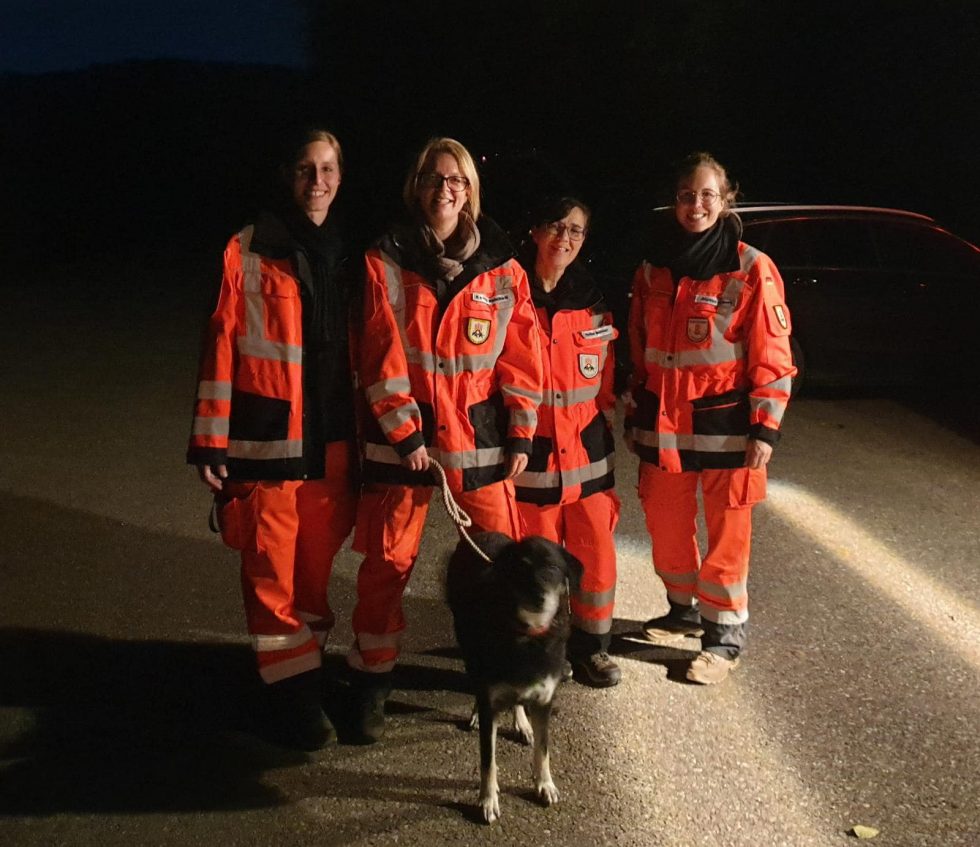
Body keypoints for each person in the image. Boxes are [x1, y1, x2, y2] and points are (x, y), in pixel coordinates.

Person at [349, 137, 543, 741]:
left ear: (471, 192)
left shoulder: (504, 267)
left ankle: (500, 676)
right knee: (387, 563)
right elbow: (378, 356)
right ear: (417, 187)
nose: (445, 189)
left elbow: (522, 356)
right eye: (434, 178)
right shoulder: (384, 259)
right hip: (403, 442)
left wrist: (521, 430)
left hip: (481, 441)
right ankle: (372, 680)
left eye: (456, 180)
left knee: (497, 565)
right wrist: (406, 433)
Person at [187, 128, 358, 748]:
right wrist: (210, 440)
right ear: (289, 176)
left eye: (329, 168)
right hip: (266, 441)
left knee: (314, 571)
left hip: (335, 442)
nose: (319, 180)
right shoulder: (248, 247)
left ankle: (304, 673)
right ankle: (288, 693)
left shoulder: (354, 250)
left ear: (341, 176)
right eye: (307, 169)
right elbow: (221, 345)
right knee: (270, 571)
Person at [626, 151, 795, 685]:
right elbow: (638, 346)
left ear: (727, 201)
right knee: (665, 523)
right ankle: (682, 610)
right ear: (674, 201)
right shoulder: (653, 268)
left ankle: (722, 637)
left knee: (728, 533)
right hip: (663, 424)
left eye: (706, 195)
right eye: (685, 194)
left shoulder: (751, 267)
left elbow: (772, 353)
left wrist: (765, 427)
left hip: (727, 426)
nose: (695, 204)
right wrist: (634, 406)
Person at [514, 196, 621, 688]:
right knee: (537, 565)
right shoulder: (511, 296)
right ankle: (540, 652)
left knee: (596, 554)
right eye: (557, 226)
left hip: (589, 458)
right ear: (535, 231)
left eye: (577, 230)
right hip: (532, 459)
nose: (566, 238)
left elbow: (604, 382)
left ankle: (592, 647)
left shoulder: (593, 301)